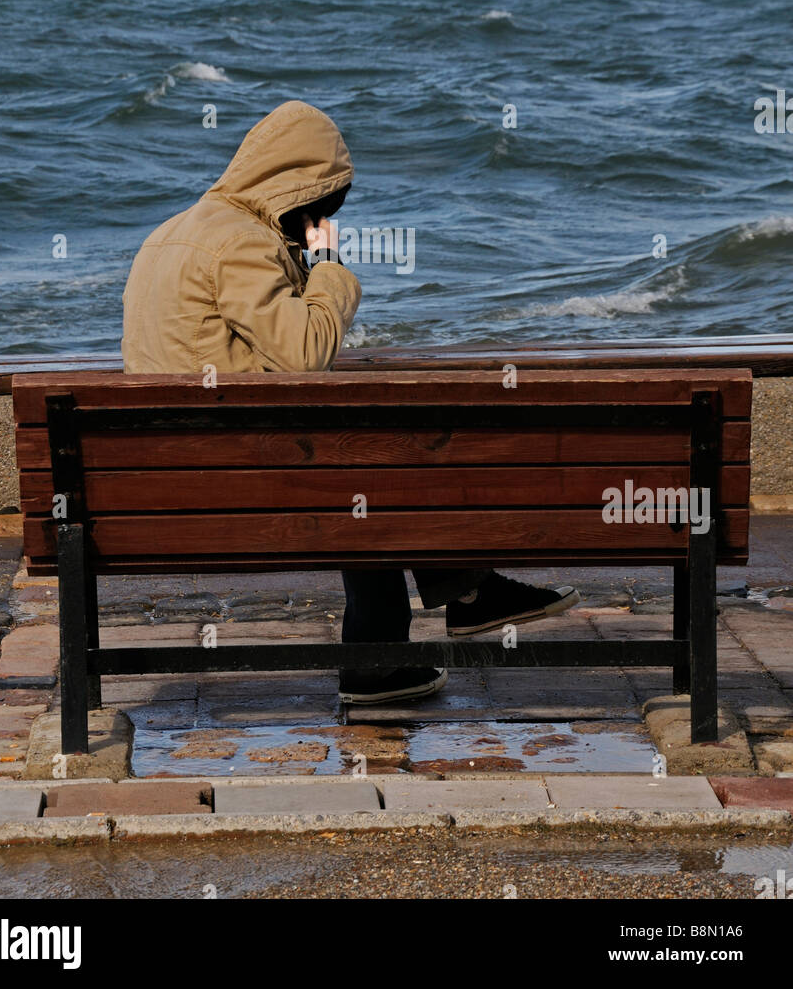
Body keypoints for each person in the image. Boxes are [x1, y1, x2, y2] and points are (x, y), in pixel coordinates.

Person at [122, 99, 578, 706]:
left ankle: (452, 607)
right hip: (230, 483)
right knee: (370, 466)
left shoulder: (170, 234)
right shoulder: (239, 243)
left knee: (361, 460)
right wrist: (330, 268)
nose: (317, 221)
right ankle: (406, 641)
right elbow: (307, 351)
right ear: (295, 190)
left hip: (159, 479)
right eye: (320, 207)